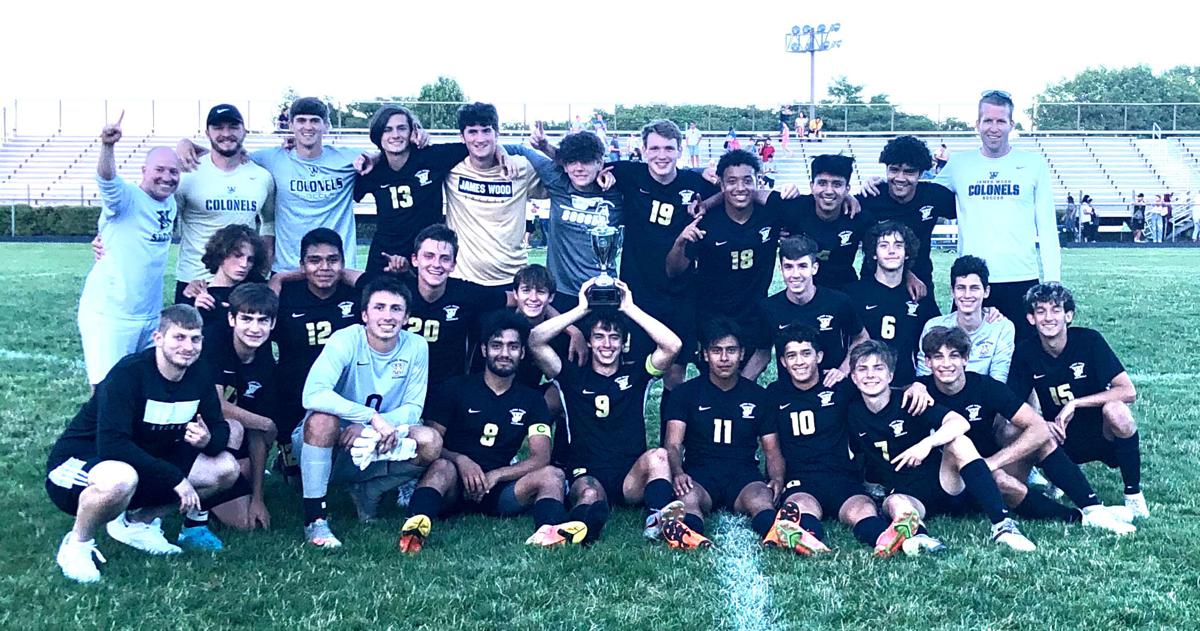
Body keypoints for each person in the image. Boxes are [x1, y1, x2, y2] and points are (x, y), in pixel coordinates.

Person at [46, 305, 238, 583]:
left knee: (224, 469)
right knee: (120, 478)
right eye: (179, 337)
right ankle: (77, 544)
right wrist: (175, 478)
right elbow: (112, 445)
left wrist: (209, 439)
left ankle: (138, 525)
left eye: (195, 339)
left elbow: (219, 428)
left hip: (141, 465)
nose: (188, 346)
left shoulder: (199, 375)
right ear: (158, 338)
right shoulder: (129, 374)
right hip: (79, 464)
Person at [917, 326, 1136, 535]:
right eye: (938, 357)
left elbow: (1039, 427)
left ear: (965, 359)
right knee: (1002, 481)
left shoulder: (985, 387)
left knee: (1039, 440)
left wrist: (993, 462)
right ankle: (1076, 518)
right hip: (950, 483)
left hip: (987, 466)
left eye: (954, 356)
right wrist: (912, 387)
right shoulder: (918, 393)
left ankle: (1093, 508)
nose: (946, 364)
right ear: (928, 362)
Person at [401, 311, 585, 552]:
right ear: (485, 349)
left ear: (522, 352)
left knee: (552, 475)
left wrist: (497, 474)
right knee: (441, 467)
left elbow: (541, 458)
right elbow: (434, 444)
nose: (504, 353)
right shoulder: (455, 388)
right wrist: (462, 461)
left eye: (512, 347)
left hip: (499, 489)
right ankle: (414, 528)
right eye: (497, 345)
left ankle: (549, 532)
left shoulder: (531, 400)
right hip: (455, 484)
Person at [527, 278, 685, 544]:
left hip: (629, 476)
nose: (607, 344)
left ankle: (657, 519)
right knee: (588, 494)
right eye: (599, 337)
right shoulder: (572, 376)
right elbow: (534, 340)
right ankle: (583, 526)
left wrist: (629, 308)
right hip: (585, 470)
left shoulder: (637, 374)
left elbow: (673, 346)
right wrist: (582, 309)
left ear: (624, 343)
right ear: (588, 342)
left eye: (614, 338)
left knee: (658, 456)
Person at [845, 340, 1037, 552]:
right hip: (909, 494)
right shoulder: (851, 411)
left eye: (878, 368)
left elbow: (960, 423)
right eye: (863, 369)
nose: (870, 375)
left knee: (959, 442)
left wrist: (926, 444)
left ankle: (1003, 527)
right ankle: (921, 538)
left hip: (943, 482)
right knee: (895, 503)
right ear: (853, 377)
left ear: (890, 375)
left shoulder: (910, 400)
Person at [295, 275, 441, 548]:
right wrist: (369, 418)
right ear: (364, 314)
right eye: (379, 307)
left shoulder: (417, 346)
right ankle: (315, 520)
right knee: (322, 420)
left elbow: (413, 408)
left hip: (378, 437)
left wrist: (375, 426)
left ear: (407, 316)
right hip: (331, 439)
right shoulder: (345, 339)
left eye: (396, 309)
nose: (388, 316)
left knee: (431, 441)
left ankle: (368, 491)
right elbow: (312, 394)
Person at [766, 326, 934, 556]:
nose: (799, 361)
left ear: (819, 356)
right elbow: (772, 446)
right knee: (801, 507)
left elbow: (880, 388)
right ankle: (808, 539)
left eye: (806, 353)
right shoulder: (774, 394)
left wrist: (916, 385)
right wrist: (777, 478)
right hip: (801, 478)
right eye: (791, 355)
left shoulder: (840, 387)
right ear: (783, 362)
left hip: (842, 475)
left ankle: (888, 540)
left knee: (864, 509)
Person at [604, 120, 719, 431]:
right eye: (654, 148)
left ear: (680, 151)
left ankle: (670, 443)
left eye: (669, 148)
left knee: (675, 373)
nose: (661, 154)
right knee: (632, 370)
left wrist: (708, 198)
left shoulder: (695, 182)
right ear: (642, 151)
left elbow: (728, 189)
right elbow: (589, 164)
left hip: (680, 291)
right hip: (637, 293)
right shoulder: (629, 174)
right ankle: (625, 439)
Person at [1008, 283, 1149, 519]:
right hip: (1060, 436)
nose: (1048, 317)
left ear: (1068, 315)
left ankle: (1133, 495)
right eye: (1040, 311)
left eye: (1055, 310)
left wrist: (1074, 403)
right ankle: (1058, 479)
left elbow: (1128, 391)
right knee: (1015, 428)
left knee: (1118, 411)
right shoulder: (1025, 352)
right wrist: (1040, 423)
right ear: (1031, 318)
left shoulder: (1089, 340)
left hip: (1101, 433)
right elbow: (1013, 404)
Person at [179, 97, 365, 272]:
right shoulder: (269, 158)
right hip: (287, 268)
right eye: (301, 120)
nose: (308, 126)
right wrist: (186, 144)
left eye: (315, 121)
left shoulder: (348, 158)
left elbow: (384, 156)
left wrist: (375, 158)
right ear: (291, 124)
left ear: (326, 126)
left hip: (337, 267)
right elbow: (227, 155)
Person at [933, 91, 1060, 341]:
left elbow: (1046, 227)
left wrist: (1053, 281)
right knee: (963, 357)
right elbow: (919, 198)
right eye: (987, 121)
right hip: (972, 282)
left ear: (1012, 125)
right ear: (977, 124)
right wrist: (877, 185)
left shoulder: (1033, 164)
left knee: (1022, 360)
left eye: (1001, 121)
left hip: (1021, 278)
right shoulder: (959, 165)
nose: (994, 127)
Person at [661, 318, 783, 550]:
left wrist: (776, 478)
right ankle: (689, 536)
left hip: (743, 473)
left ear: (742, 354)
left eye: (731, 350)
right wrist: (677, 472)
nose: (724, 358)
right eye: (717, 351)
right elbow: (673, 444)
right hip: (700, 473)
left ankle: (775, 533)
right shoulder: (685, 393)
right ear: (705, 355)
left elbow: (772, 449)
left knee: (761, 498)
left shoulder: (759, 396)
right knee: (687, 498)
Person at [78, 113, 181, 386]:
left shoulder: (170, 203)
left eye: (173, 171)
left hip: (149, 315)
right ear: (144, 171)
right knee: (106, 393)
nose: (167, 177)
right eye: (159, 169)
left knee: (144, 390)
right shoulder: (127, 198)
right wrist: (107, 146)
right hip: (110, 314)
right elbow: (107, 180)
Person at [666, 149, 787, 375]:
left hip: (753, 312)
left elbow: (808, 207)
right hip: (711, 314)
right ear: (721, 185)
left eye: (747, 180)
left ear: (758, 181)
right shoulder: (705, 221)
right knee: (715, 378)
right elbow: (674, 271)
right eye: (731, 181)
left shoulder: (771, 214)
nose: (740, 188)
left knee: (746, 382)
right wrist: (680, 243)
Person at [268, 228, 363, 478]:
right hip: (294, 391)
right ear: (301, 266)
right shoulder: (287, 296)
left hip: (345, 390)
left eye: (333, 260)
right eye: (314, 260)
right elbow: (260, 316)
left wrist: (346, 275)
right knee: (298, 476)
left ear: (343, 263)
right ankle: (287, 453)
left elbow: (380, 285)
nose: (324, 267)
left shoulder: (355, 295)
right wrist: (278, 280)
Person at [198, 284, 281, 539]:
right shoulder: (213, 342)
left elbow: (258, 435)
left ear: (273, 324)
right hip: (187, 433)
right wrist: (267, 423)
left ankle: (207, 496)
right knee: (234, 428)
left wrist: (258, 498)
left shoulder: (264, 358)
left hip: (219, 440)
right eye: (246, 319)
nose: (254, 328)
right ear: (231, 319)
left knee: (246, 523)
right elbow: (218, 405)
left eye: (262, 320)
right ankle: (186, 507)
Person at [171, 105, 275, 301]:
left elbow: (269, 223)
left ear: (244, 131)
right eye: (218, 127)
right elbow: (162, 217)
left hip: (245, 282)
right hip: (195, 283)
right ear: (207, 132)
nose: (226, 134)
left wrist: (263, 267)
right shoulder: (187, 174)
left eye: (233, 127)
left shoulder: (261, 177)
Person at [514, 128, 625, 310]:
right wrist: (501, 151)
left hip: (603, 290)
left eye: (587, 162)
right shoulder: (557, 180)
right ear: (564, 165)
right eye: (572, 162)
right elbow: (522, 150)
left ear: (600, 163)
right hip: (561, 293)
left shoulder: (618, 191)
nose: (579, 168)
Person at [353, 105, 467, 274]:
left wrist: (502, 151)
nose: (395, 135)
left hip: (425, 257)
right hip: (384, 255)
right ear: (378, 135)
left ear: (412, 131)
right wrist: (375, 157)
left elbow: (476, 146)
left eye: (402, 128)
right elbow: (354, 193)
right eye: (387, 130)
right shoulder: (371, 169)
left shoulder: (432, 157)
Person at [443, 102, 542, 286]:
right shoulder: (451, 168)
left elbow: (562, 181)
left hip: (512, 280)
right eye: (472, 131)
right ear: (462, 137)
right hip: (463, 280)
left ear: (497, 134)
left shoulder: (520, 168)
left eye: (486, 131)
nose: (480, 139)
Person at [746, 235, 868, 381]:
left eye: (802, 266)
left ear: (814, 268)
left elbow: (861, 337)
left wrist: (843, 370)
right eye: (789, 267)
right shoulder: (769, 308)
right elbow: (762, 353)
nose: (795, 274)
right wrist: (740, 388)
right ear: (780, 269)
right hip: (790, 392)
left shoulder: (838, 302)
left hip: (831, 388)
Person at [858, 136, 956, 313]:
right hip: (874, 282)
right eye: (894, 170)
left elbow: (971, 209)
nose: (900, 178)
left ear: (921, 173)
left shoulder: (935, 196)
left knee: (930, 334)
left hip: (921, 281)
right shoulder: (871, 198)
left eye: (909, 172)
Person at [844, 221, 938, 387]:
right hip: (863, 385)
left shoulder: (919, 295)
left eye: (898, 245)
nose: (891, 251)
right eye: (884, 245)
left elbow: (938, 335)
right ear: (873, 253)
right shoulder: (853, 294)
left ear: (907, 253)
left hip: (906, 386)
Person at [770, 155, 876, 291]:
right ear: (811, 186)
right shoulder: (796, 207)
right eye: (822, 183)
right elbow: (753, 195)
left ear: (847, 188)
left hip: (844, 293)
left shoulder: (859, 217)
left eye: (837, 184)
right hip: (803, 294)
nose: (829, 191)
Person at [915, 256, 1014, 382]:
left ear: (986, 291)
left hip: (985, 398)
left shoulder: (1001, 327)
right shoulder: (933, 327)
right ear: (952, 291)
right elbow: (923, 377)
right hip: (941, 396)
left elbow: (999, 379)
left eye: (974, 288)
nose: (967, 295)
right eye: (961, 288)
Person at [183, 224, 270, 329]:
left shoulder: (258, 289)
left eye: (250, 259)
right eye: (237, 256)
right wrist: (197, 312)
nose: (244, 264)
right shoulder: (196, 295)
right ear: (221, 255)